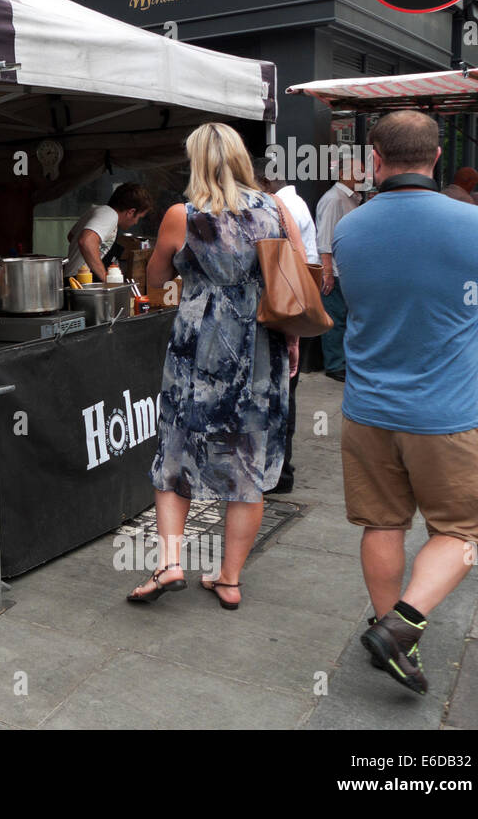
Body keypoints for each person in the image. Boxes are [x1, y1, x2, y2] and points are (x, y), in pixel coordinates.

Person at [333, 110, 478, 696]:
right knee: (467, 526)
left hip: (366, 410)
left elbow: (357, 298)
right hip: (448, 416)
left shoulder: (350, 229)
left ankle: (388, 630)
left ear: (375, 161)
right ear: (437, 158)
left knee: (381, 522)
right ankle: (402, 625)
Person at [127, 124, 293, 610]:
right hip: (261, 344)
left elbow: (156, 278)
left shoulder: (183, 215)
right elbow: (285, 278)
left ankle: (171, 563)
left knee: (175, 449)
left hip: (199, 346)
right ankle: (230, 579)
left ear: (196, 161)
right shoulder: (274, 209)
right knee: (247, 457)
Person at [255, 158, 319, 495]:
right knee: (283, 392)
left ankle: (280, 471)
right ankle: (278, 469)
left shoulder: (285, 206)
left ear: (265, 182)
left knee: (282, 394)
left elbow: (283, 267)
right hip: (293, 309)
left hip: (287, 311)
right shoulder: (293, 203)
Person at [314, 159, 363, 382]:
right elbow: (324, 238)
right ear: (343, 173)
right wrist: (327, 273)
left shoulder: (351, 198)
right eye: (358, 169)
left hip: (347, 271)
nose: (363, 173)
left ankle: (342, 362)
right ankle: (335, 365)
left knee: (345, 318)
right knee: (335, 319)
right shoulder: (333, 199)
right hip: (334, 271)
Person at [63, 182, 154, 281]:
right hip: (81, 281)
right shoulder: (110, 215)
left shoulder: (96, 210)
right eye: (139, 218)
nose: (136, 223)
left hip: (73, 277)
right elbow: (86, 241)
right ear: (131, 212)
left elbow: (72, 236)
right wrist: (106, 278)